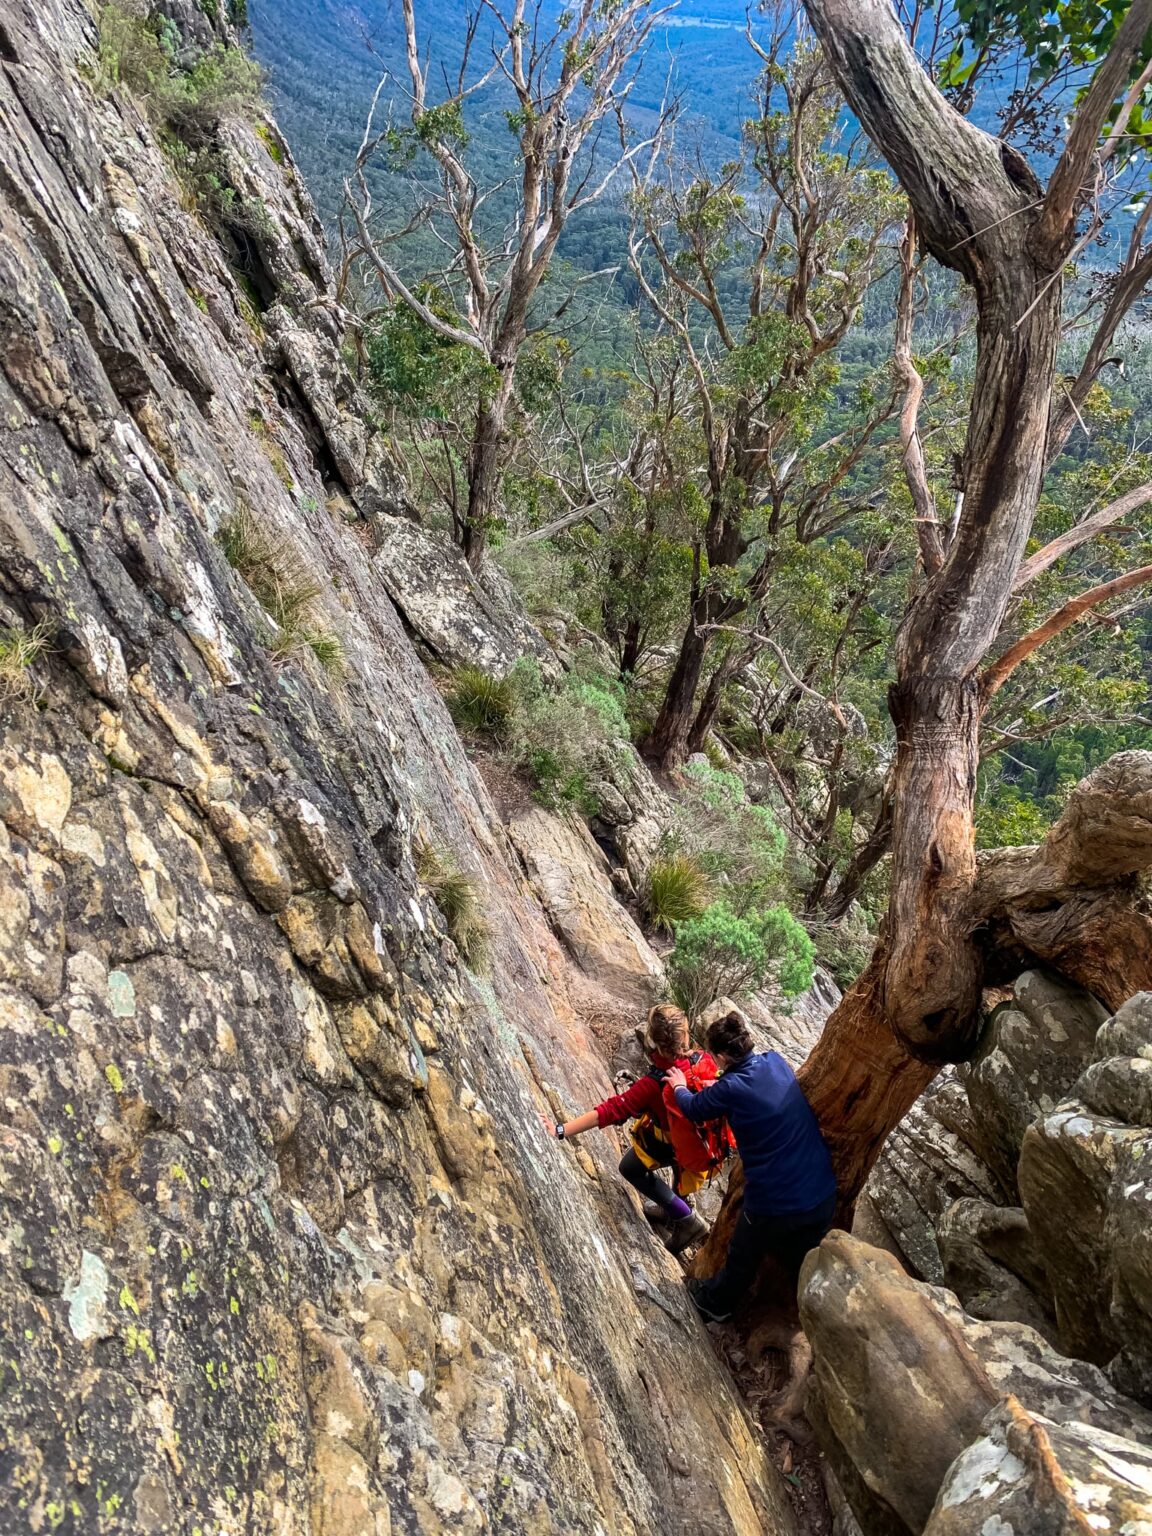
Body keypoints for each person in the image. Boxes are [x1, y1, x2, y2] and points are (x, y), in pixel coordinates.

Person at [665, 1011, 837, 1323]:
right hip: (822, 1192)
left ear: (720, 1056)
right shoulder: (774, 1061)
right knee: (802, 1262)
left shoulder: (731, 1087)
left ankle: (715, 1304)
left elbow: (693, 1108)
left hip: (777, 1201)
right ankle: (809, 1320)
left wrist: (679, 1085)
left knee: (743, 1252)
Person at [549, 1004, 719, 1255]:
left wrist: (560, 1130)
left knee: (630, 1167)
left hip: (672, 1142)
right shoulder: (701, 1059)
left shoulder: (653, 1085)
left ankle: (686, 1219)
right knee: (676, 1158)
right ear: (684, 1036)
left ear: (653, 1042)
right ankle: (672, 1206)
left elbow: (610, 1111)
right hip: (699, 1140)